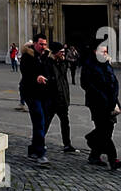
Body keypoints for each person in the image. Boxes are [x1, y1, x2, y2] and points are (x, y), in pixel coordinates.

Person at [81, 43, 121, 172]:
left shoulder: (107, 65)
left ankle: (93, 150)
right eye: (103, 52)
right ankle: (113, 159)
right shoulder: (89, 65)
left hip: (111, 102)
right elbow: (86, 83)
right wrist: (101, 97)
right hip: (97, 103)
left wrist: (114, 98)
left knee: (108, 129)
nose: (105, 54)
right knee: (104, 130)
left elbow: (114, 82)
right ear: (95, 51)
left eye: (106, 52)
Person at [19, 34, 55, 162]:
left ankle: (34, 149)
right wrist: (36, 77)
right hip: (31, 92)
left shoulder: (47, 57)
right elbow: (25, 73)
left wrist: (47, 78)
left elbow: (51, 73)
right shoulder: (27, 57)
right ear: (34, 44)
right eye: (41, 44)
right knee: (39, 119)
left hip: (44, 93)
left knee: (42, 122)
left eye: (45, 44)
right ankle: (40, 153)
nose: (43, 46)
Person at [47, 42, 79, 154]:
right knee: (45, 123)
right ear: (55, 52)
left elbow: (63, 80)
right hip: (52, 99)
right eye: (61, 52)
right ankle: (38, 144)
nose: (63, 53)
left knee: (65, 123)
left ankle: (67, 144)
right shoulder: (48, 63)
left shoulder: (63, 63)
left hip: (62, 98)